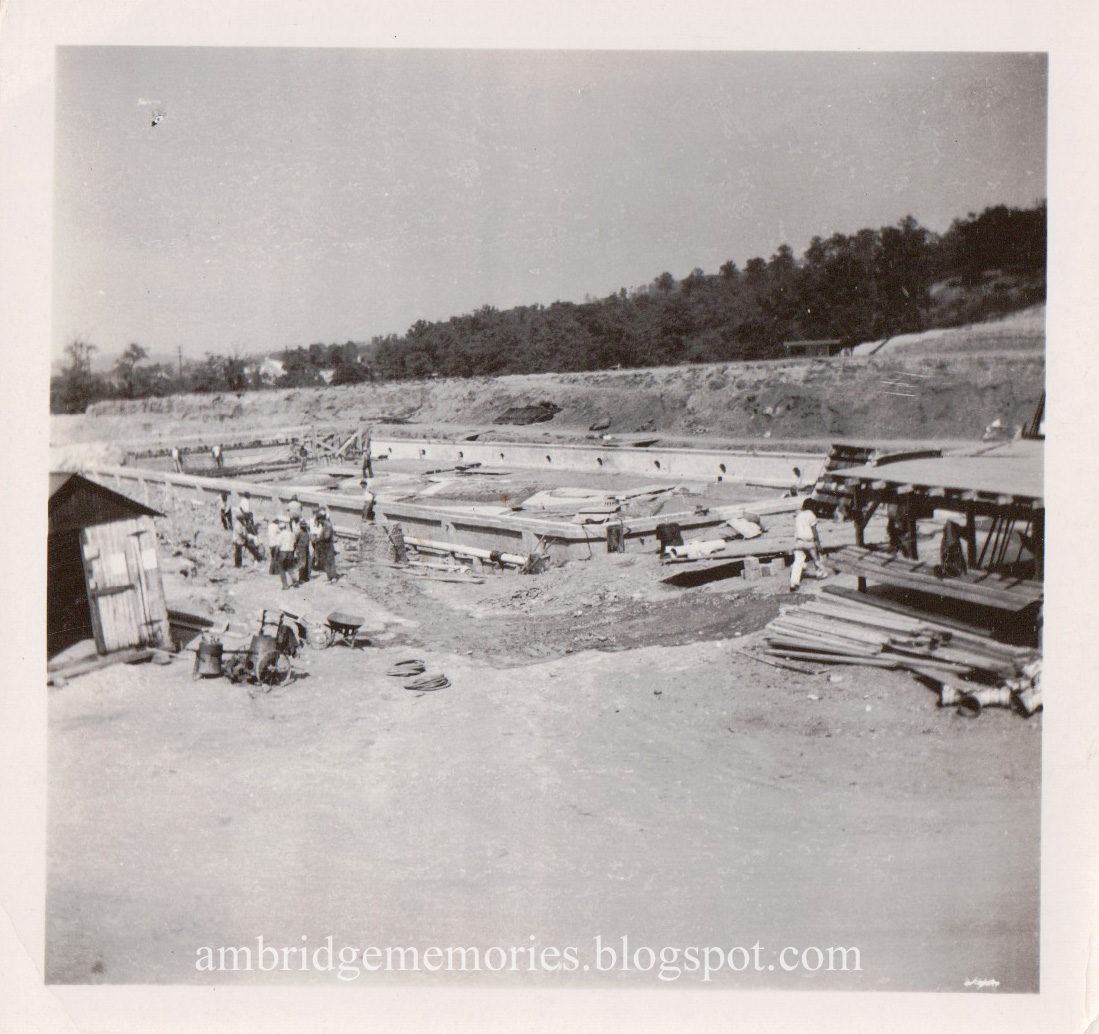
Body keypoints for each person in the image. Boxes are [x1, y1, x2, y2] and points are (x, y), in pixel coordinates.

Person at [790, 499, 828, 592]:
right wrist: (818, 544)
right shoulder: (812, 516)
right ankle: (820, 574)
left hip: (799, 541)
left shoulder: (799, 515)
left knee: (798, 561)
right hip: (809, 541)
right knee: (816, 558)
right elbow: (814, 531)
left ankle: (794, 583)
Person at [232, 494, 264, 567]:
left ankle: (258, 558)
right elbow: (241, 533)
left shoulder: (240, 524)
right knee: (238, 553)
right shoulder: (238, 525)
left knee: (251, 548)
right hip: (239, 540)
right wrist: (247, 537)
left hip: (242, 539)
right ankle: (238, 565)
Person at [311, 506, 339, 581]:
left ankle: (333, 577)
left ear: (321, 519)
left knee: (330, 561)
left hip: (328, 545)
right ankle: (329, 576)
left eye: (319, 520)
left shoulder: (328, 525)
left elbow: (327, 536)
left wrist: (318, 539)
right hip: (323, 545)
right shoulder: (323, 525)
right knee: (324, 561)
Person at [278, 519, 297, 589]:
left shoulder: (280, 535)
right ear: (285, 527)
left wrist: (276, 554)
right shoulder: (291, 534)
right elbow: (294, 543)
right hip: (290, 552)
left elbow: (278, 545)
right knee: (290, 568)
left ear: (280, 528)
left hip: (283, 552)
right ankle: (295, 581)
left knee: (282, 569)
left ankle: (285, 585)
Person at [293, 513, 311, 584]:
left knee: (301, 563)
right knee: (306, 563)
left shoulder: (299, 533)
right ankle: (305, 577)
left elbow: (295, 541)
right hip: (306, 549)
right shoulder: (307, 533)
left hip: (301, 549)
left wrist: (294, 549)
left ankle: (301, 578)